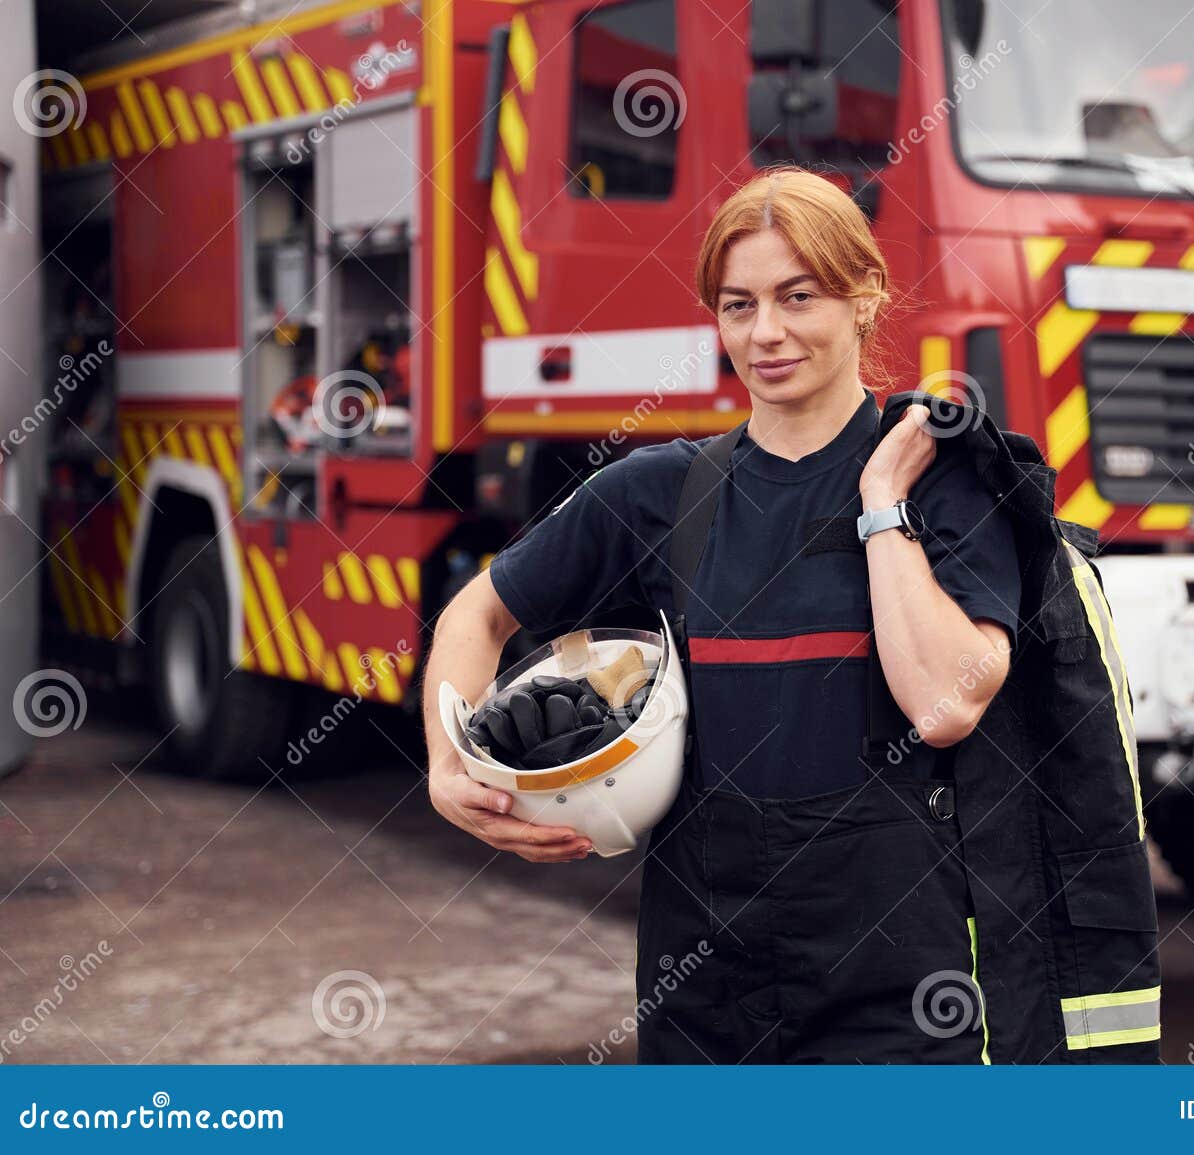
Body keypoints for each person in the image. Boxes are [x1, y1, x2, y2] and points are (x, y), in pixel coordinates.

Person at [422, 166, 1022, 1062]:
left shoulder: (948, 480)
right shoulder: (660, 492)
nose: (766, 332)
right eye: (738, 305)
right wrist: (449, 761)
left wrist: (881, 500)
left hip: (899, 996)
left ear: (866, 299)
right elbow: (477, 614)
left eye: (799, 296)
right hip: (702, 989)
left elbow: (945, 703)